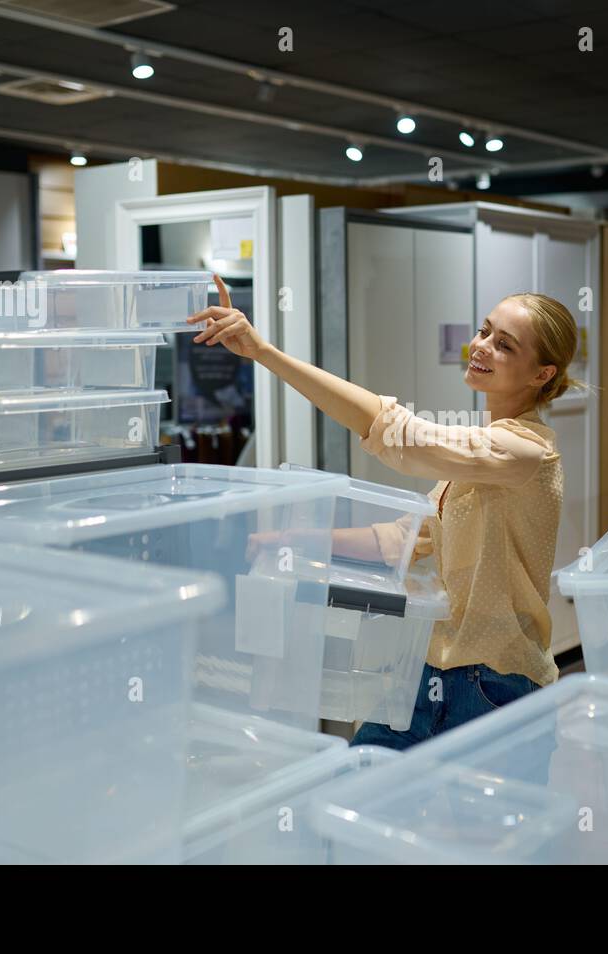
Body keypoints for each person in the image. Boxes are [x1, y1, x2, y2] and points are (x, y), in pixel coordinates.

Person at [189, 277, 577, 749]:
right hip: (431, 666)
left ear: (542, 375)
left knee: (488, 822)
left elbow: (399, 434)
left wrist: (264, 352)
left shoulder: (525, 452)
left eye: (505, 345)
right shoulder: (481, 452)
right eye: (484, 331)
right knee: (362, 791)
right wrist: (297, 540)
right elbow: (407, 539)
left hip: (498, 682)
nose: (481, 346)